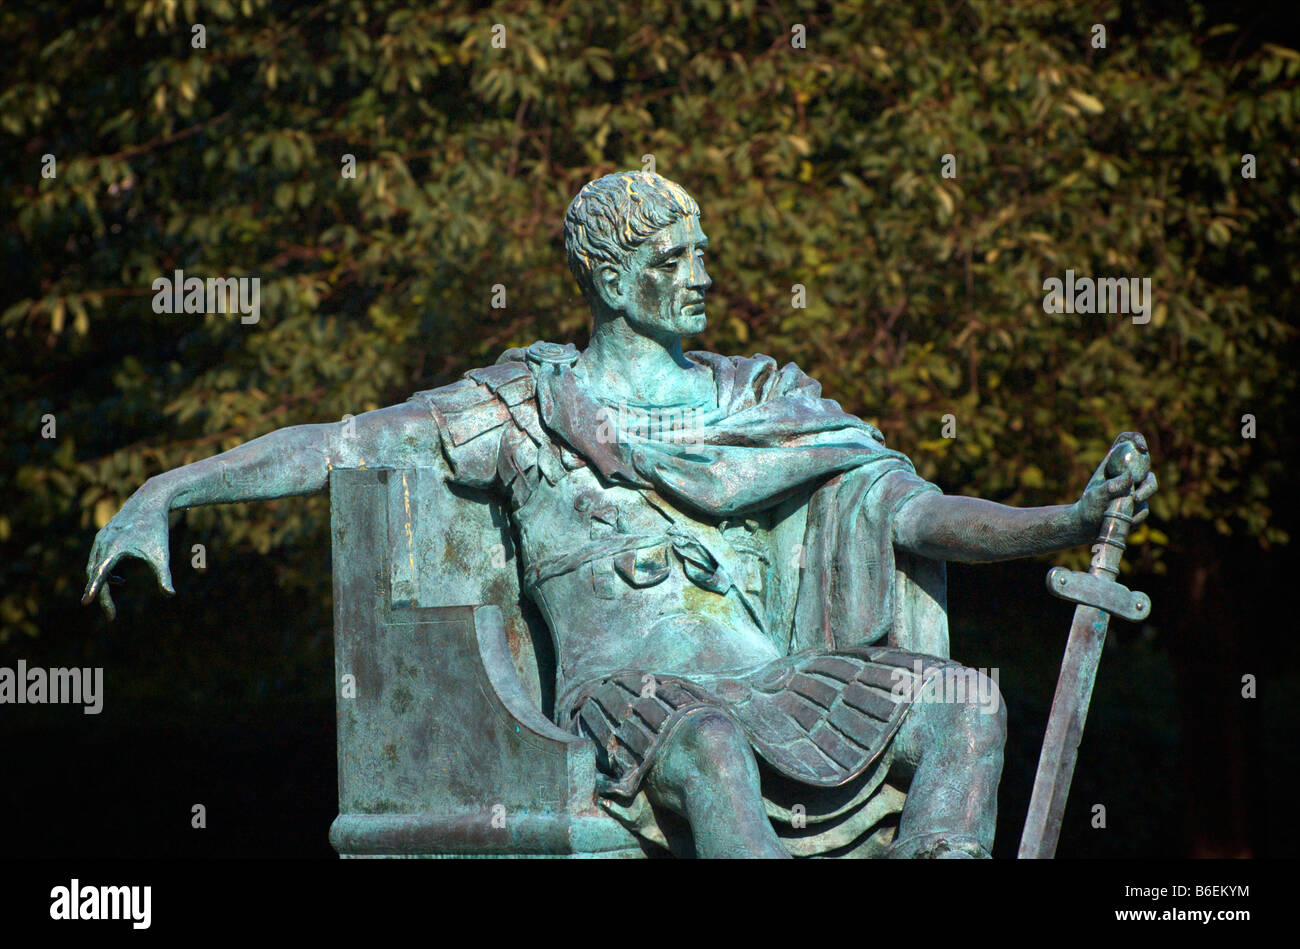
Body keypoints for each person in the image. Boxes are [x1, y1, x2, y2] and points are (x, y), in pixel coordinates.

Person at [85, 171, 1156, 858]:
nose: (701, 276)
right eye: (671, 259)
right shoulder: (524, 404)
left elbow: (915, 514)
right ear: (608, 275)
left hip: (774, 677)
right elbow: (346, 442)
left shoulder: (760, 400)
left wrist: (1063, 520)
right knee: (712, 745)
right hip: (635, 703)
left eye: (702, 253)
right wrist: (170, 489)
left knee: (961, 703)